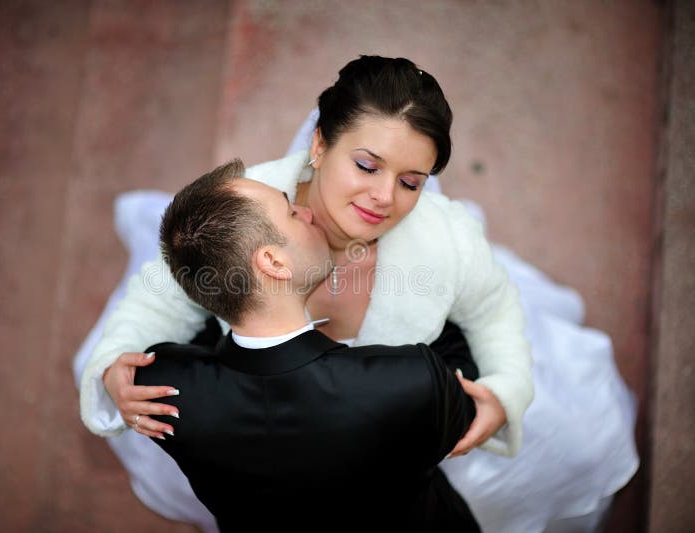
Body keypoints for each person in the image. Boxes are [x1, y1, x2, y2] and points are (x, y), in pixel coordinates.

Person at [74, 56, 638, 532]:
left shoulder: (446, 239)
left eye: (411, 182)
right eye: (367, 166)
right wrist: (114, 369)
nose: (384, 198)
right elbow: (154, 300)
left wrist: (506, 389)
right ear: (320, 144)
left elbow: (493, 312)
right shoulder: (246, 212)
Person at [133, 158, 481, 532]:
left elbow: (188, 349)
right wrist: (435, 309)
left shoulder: (160, 383)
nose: (308, 212)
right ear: (273, 261)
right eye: (291, 212)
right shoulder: (415, 379)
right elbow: (466, 409)